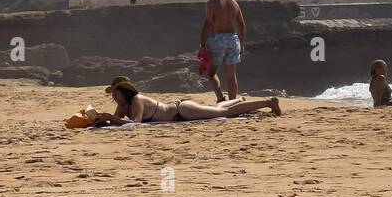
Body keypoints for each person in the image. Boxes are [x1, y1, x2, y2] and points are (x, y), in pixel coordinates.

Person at [93, 76, 280, 125]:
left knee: (223, 113)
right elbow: (117, 122)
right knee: (217, 107)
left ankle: (269, 102)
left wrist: (112, 118)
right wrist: (102, 120)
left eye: (116, 94)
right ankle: (238, 100)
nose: (114, 97)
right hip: (179, 112)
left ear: (125, 92)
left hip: (181, 111)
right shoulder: (122, 105)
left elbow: (135, 124)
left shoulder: (137, 100)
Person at [201, 0, 245, 101]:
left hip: (217, 40)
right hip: (233, 39)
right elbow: (241, 24)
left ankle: (221, 99)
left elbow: (208, 23)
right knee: (231, 76)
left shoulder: (211, 3)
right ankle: (232, 103)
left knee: (211, 73)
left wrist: (202, 44)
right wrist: (241, 44)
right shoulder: (234, 3)